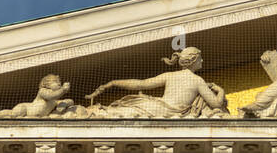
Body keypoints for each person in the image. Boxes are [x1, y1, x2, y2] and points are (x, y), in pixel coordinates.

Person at [85, 47, 228, 119]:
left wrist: (113, 83)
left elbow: (140, 84)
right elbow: (216, 104)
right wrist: (220, 90)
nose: (202, 61)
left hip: (156, 106)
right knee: (125, 113)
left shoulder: (169, 75)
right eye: (200, 59)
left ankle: (96, 112)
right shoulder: (197, 80)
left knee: (121, 112)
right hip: (169, 112)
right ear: (192, 61)